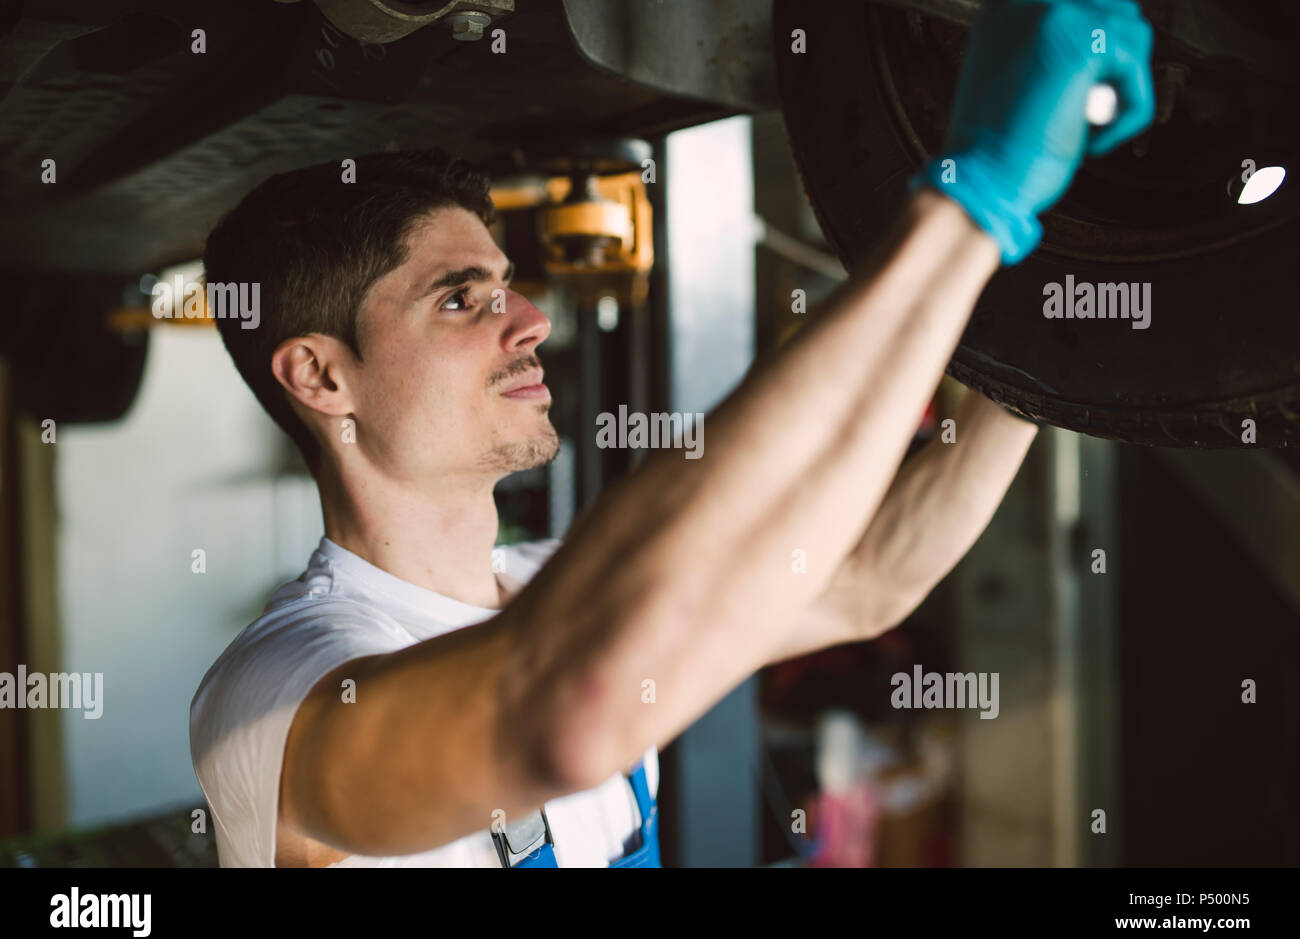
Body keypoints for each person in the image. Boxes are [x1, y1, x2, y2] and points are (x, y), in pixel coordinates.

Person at [189, 0, 1154, 867]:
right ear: (321, 376)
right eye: (461, 300)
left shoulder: (550, 585)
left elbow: (869, 578)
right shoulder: (285, 685)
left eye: (507, 285)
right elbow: (565, 712)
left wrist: (1041, 308)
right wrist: (972, 205)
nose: (529, 320)